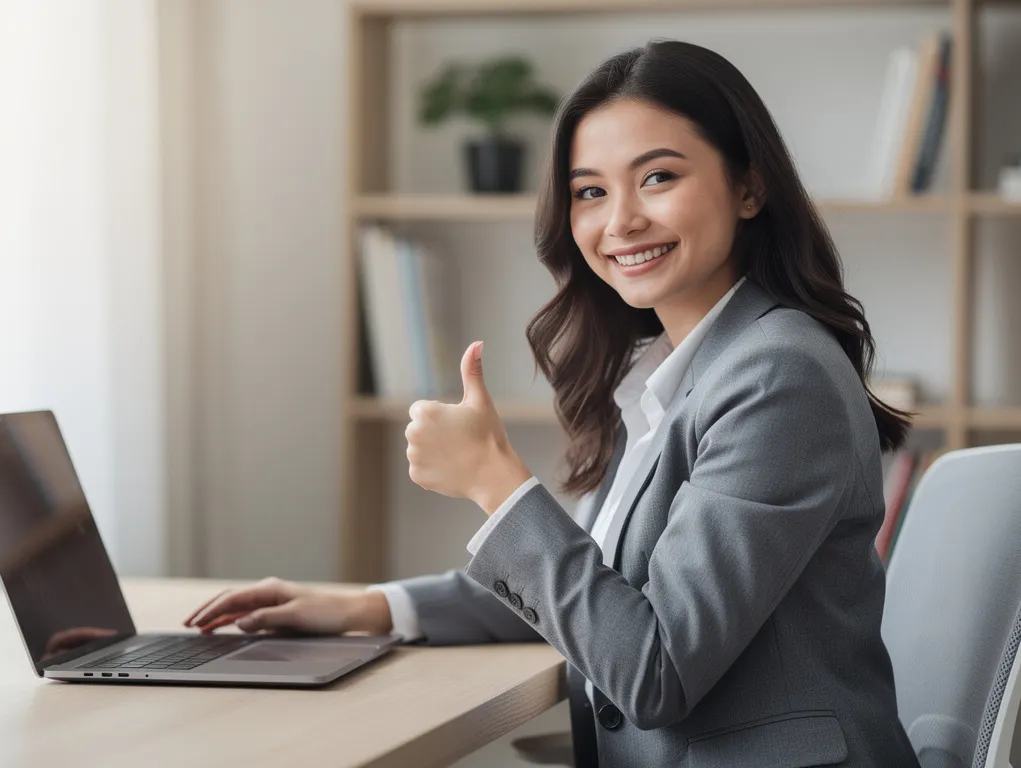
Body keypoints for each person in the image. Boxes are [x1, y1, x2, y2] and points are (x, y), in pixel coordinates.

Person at [183, 40, 921, 767]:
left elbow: (651, 669)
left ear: (749, 188)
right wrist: (367, 608)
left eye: (657, 177)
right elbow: (597, 589)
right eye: (590, 192)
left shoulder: (776, 378)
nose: (620, 220)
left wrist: (493, 483)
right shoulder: (682, 371)